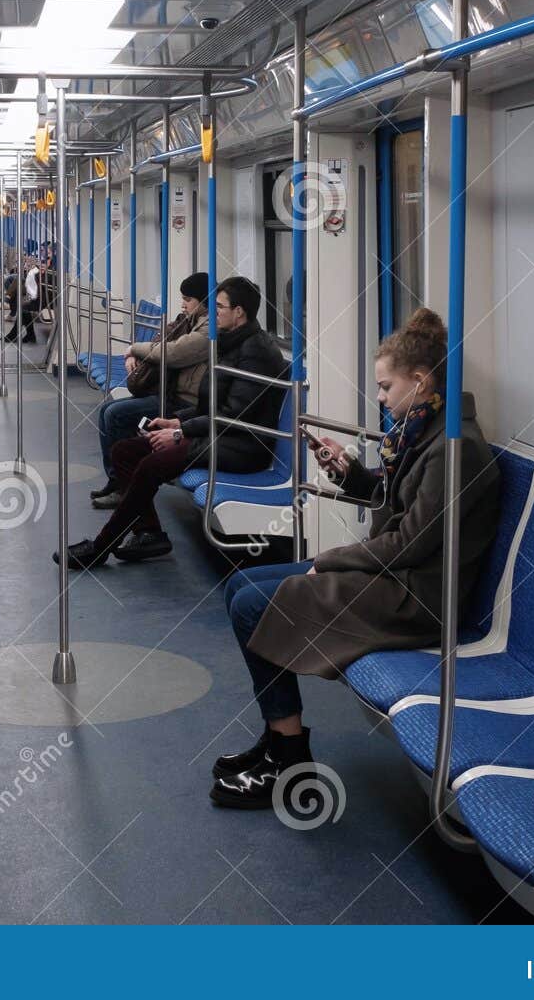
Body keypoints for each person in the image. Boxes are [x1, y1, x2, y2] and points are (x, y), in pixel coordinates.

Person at [210, 309, 501, 807]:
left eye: (386, 387)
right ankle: (278, 739)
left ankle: (288, 757)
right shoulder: (423, 432)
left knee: (252, 604)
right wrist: (349, 473)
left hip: (418, 595)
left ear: (420, 379)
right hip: (396, 575)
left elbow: (410, 541)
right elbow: (395, 503)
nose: (381, 397)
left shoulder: (456, 450)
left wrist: (335, 560)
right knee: (242, 586)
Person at [59, 276, 288, 568]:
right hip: (217, 434)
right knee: (125, 452)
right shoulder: (230, 342)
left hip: (242, 444)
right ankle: (149, 532)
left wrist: (180, 433)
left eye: (219, 307)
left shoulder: (255, 351)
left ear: (239, 312)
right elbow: (213, 407)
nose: (213, 312)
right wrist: (175, 421)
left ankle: (101, 547)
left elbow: (233, 417)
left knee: (150, 464)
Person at [89, 271, 211, 507]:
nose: (183, 304)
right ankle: (118, 482)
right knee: (107, 411)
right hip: (171, 392)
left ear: (202, 300)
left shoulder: (208, 331)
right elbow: (160, 341)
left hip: (187, 404)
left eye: (188, 299)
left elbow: (173, 353)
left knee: (115, 415)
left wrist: (134, 348)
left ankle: (125, 487)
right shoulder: (189, 320)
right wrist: (135, 355)